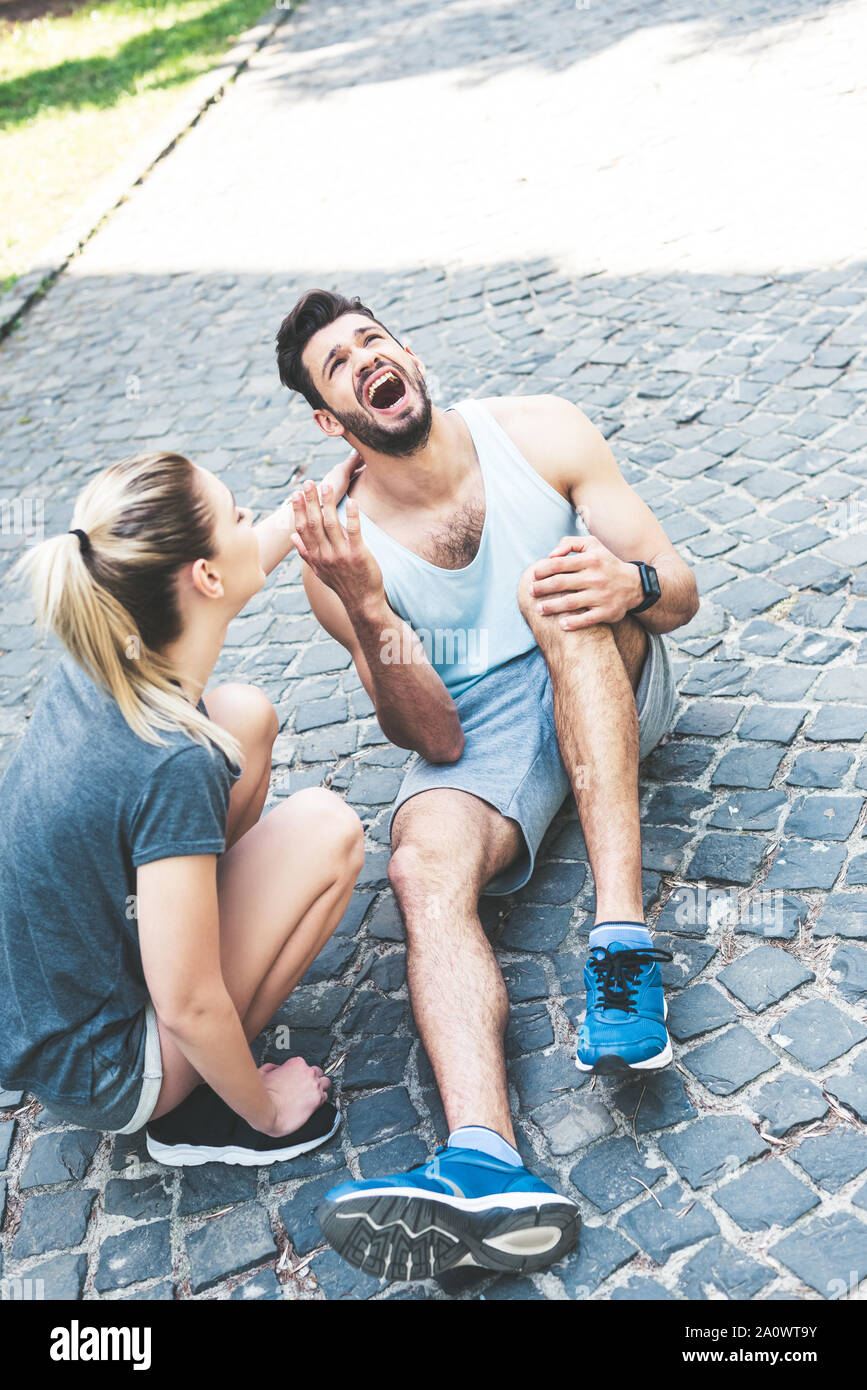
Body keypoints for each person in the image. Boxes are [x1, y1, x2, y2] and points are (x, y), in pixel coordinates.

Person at [273, 289, 700, 1281]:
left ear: (410, 354)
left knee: (554, 590)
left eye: (372, 338)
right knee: (421, 863)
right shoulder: (338, 553)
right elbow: (431, 730)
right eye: (338, 364)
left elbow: (677, 591)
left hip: (603, 658)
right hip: (484, 728)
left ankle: (624, 951)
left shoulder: (539, 430)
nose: (366, 356)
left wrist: (625, 583)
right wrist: (369, 603)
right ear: (332, 423)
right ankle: (484, 1161)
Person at [0, 448, 365, 1166]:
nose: (244, 519)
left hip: (47, 999)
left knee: (244, 716)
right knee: (330, 832)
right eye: (234, 513)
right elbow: (191, 1005)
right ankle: (195, 1110)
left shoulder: (109, 643)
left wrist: (318, 499)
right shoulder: (169, 758)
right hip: (103, 1070)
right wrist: (265, 1111)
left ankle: (184, 950)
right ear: (203, 577)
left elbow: (239, 560)